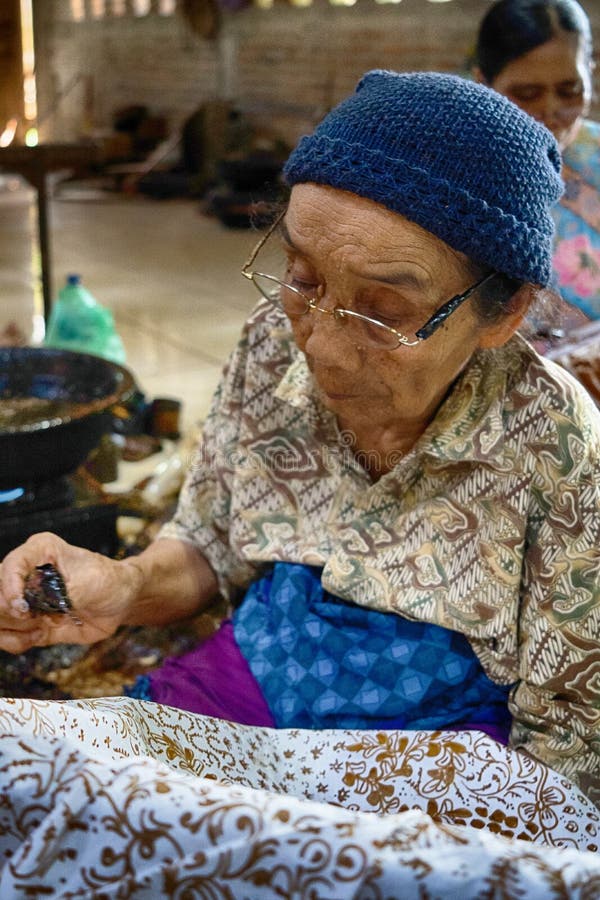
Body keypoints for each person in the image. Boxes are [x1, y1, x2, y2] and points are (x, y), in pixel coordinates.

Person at [0, 70, 598, 805]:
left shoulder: (560, 454)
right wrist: (123, 587)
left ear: (503, 315)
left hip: (432, 759)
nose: (323, 348)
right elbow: (212, 546)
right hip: (255, 675)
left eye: (383, 312)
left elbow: (565, 748)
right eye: (303, 278)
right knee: (59, 798)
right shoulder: (269, 346)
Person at [474, 0, 600, 338]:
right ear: (484, 84)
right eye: (527, 93)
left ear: (590, 71)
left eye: (569, 90)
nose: (550, 110)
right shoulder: (463, 175)